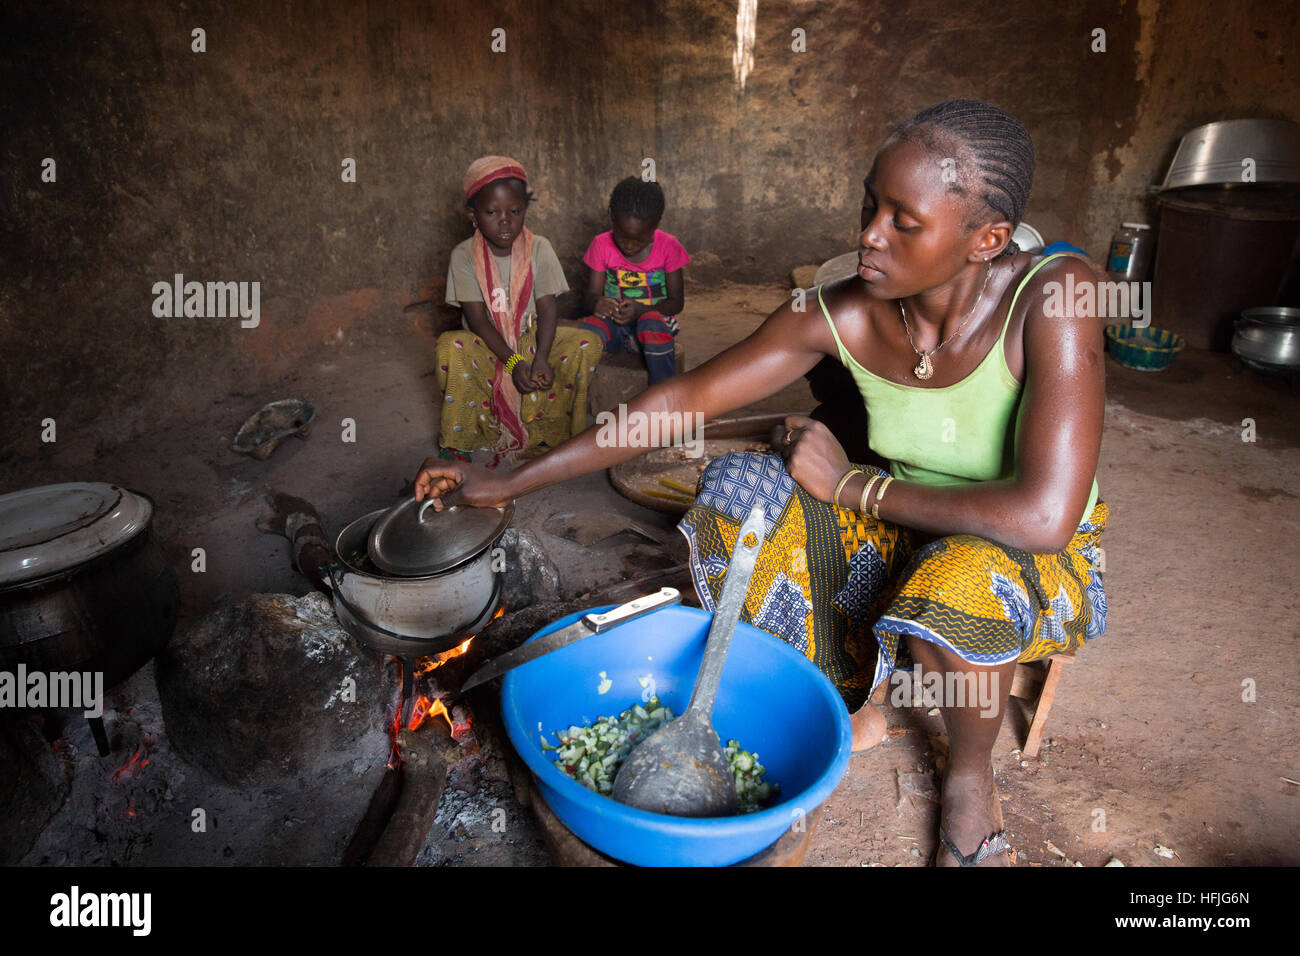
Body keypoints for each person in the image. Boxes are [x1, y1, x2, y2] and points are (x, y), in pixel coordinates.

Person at [414, 101, 1109, 866]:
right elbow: (677, 402)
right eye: (869, 203)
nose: (869, 234)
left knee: (961, 576)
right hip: (907, 532)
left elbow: (1044, 514)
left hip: (1029, 559)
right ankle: (834, 698)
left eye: (902, 221)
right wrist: (510, 479)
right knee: (745, 484)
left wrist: (854, 490)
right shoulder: (843, 306)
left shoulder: (1053, 296)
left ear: (988, 239)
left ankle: (971, 781)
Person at [435, 155, 602, 466]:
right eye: (491, 212)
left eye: (515, 211)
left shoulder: (539, 248)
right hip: (486, 346)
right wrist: (513, 362)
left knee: (586, 344)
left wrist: (540, 358)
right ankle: (464, 439)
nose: (505, 221)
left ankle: (546, 433)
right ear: (472, 215)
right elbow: (477, 321)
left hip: (531, 339)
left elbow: (548, 307)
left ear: (525, 210)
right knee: (450, 346)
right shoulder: (463, 256)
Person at [579, 177, 690, 385]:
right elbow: (589, 297)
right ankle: (577, 399)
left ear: (656, 224)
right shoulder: (600, 245)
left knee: (652, 324)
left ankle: (663, 393)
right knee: (588, 331)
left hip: (655, 322)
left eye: (639, 239)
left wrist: (641, 311)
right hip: (615, 325)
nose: (629, 246)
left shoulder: (669, 246)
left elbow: (677, 302)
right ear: (612, 219)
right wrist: (597, 302)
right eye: (622, 237)